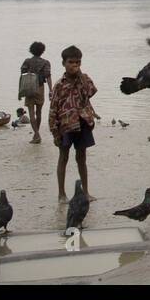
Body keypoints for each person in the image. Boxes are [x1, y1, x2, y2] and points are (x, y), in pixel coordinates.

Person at [50, 45, 99, 201]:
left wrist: (81, 76)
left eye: (77, 62)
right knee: (63, 157)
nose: (74, 65)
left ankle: (85, 192)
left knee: (81, 158)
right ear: (63, 63)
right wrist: (54, 131)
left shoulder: (84, 79)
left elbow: (91, 91)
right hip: (65, 126)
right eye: (71, 62)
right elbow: (53, 109)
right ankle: (61, 194)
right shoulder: (59, 85)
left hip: (82, 123)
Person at [19, 41, 53, 144]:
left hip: (29, 89)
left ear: (31, 50)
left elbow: (22, 75)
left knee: (31, 113)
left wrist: (20, 92)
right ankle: (36, 135)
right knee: (39, 113)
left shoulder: (27, 61)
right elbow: (48, 77)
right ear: (42, 51)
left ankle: (37, 135)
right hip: (40, 88)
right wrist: (51, 90)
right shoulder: (46, 62)